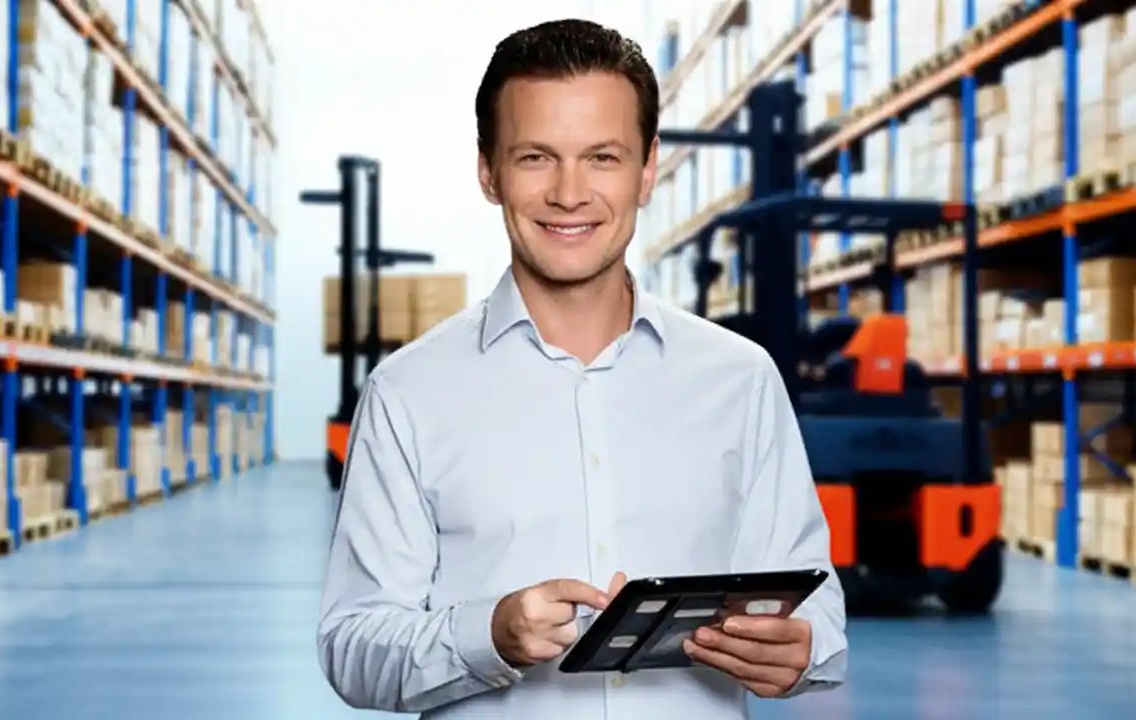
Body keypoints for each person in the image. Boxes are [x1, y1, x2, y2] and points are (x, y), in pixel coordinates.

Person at [317, 18, 847, 719]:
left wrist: (803, 651)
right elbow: (354, 646)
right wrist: (488, 635)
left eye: (603, 157)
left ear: (648, 168)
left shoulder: (740, 380)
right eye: (537, 157)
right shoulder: (409, 393)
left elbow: (820, 609)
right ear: (488, 171)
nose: (570, 193)